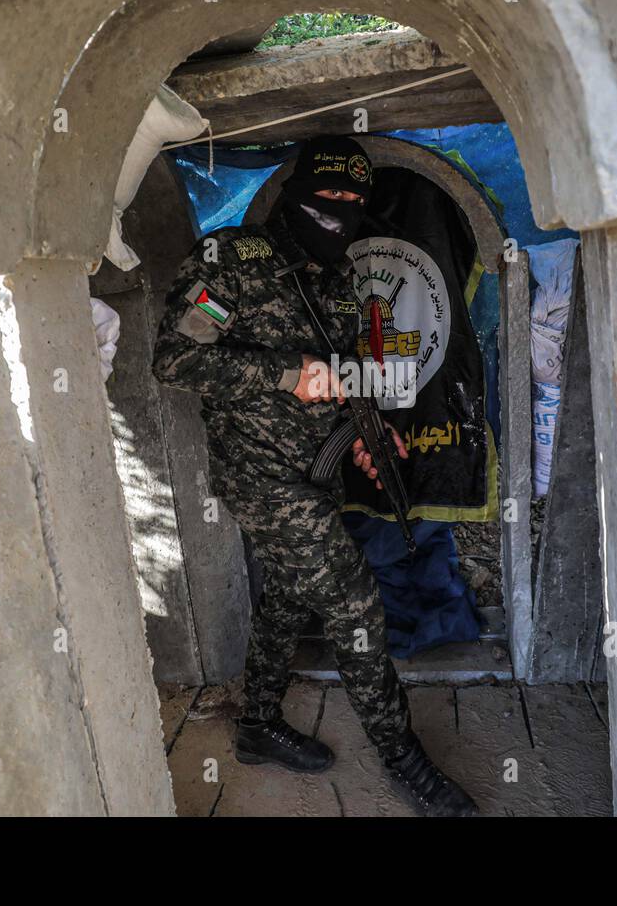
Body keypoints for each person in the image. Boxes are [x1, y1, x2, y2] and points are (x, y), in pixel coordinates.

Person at [152, 135, 478, 816]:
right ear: (297, 193)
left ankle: (256, 726)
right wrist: (284, 375)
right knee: (354, 600)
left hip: (317, 471)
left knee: (291, 600)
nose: (342, 212)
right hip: (260, 478)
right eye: (328, 197)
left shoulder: (335, 277)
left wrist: (367, 430)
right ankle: (401, 755)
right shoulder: (230, 264)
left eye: (355, 202)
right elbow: (176, 361)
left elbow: (343, 374)